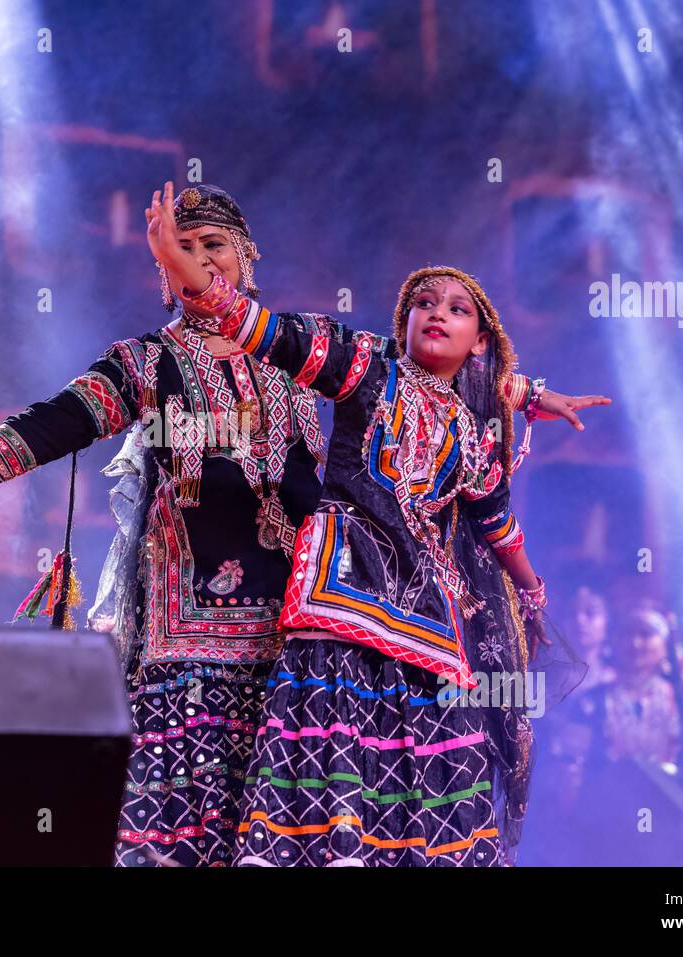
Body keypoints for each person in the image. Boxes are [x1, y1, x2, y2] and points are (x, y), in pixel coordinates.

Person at [0, 182, 607, 866]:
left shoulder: (296, 351)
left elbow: (420, 371)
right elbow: (59, 420)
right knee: (185, 842)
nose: (196, 260)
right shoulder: (145, 363)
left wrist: (528, 393)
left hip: (305, 644)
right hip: (190, 644)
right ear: (162, 267)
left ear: (245, 258)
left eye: (211, 245)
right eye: (180, 249)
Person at [150, 189, 569, 864]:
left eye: (457, 310)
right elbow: (266, 330)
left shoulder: (470, 434)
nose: (439, 313)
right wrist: (188, 272)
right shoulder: (363, 367)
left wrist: (532, 591)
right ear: (401, 324)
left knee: (436, 798)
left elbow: (497, 520)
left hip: (430, 622)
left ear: (479, 341)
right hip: (343, 599)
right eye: (425, 304)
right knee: (337, 792)